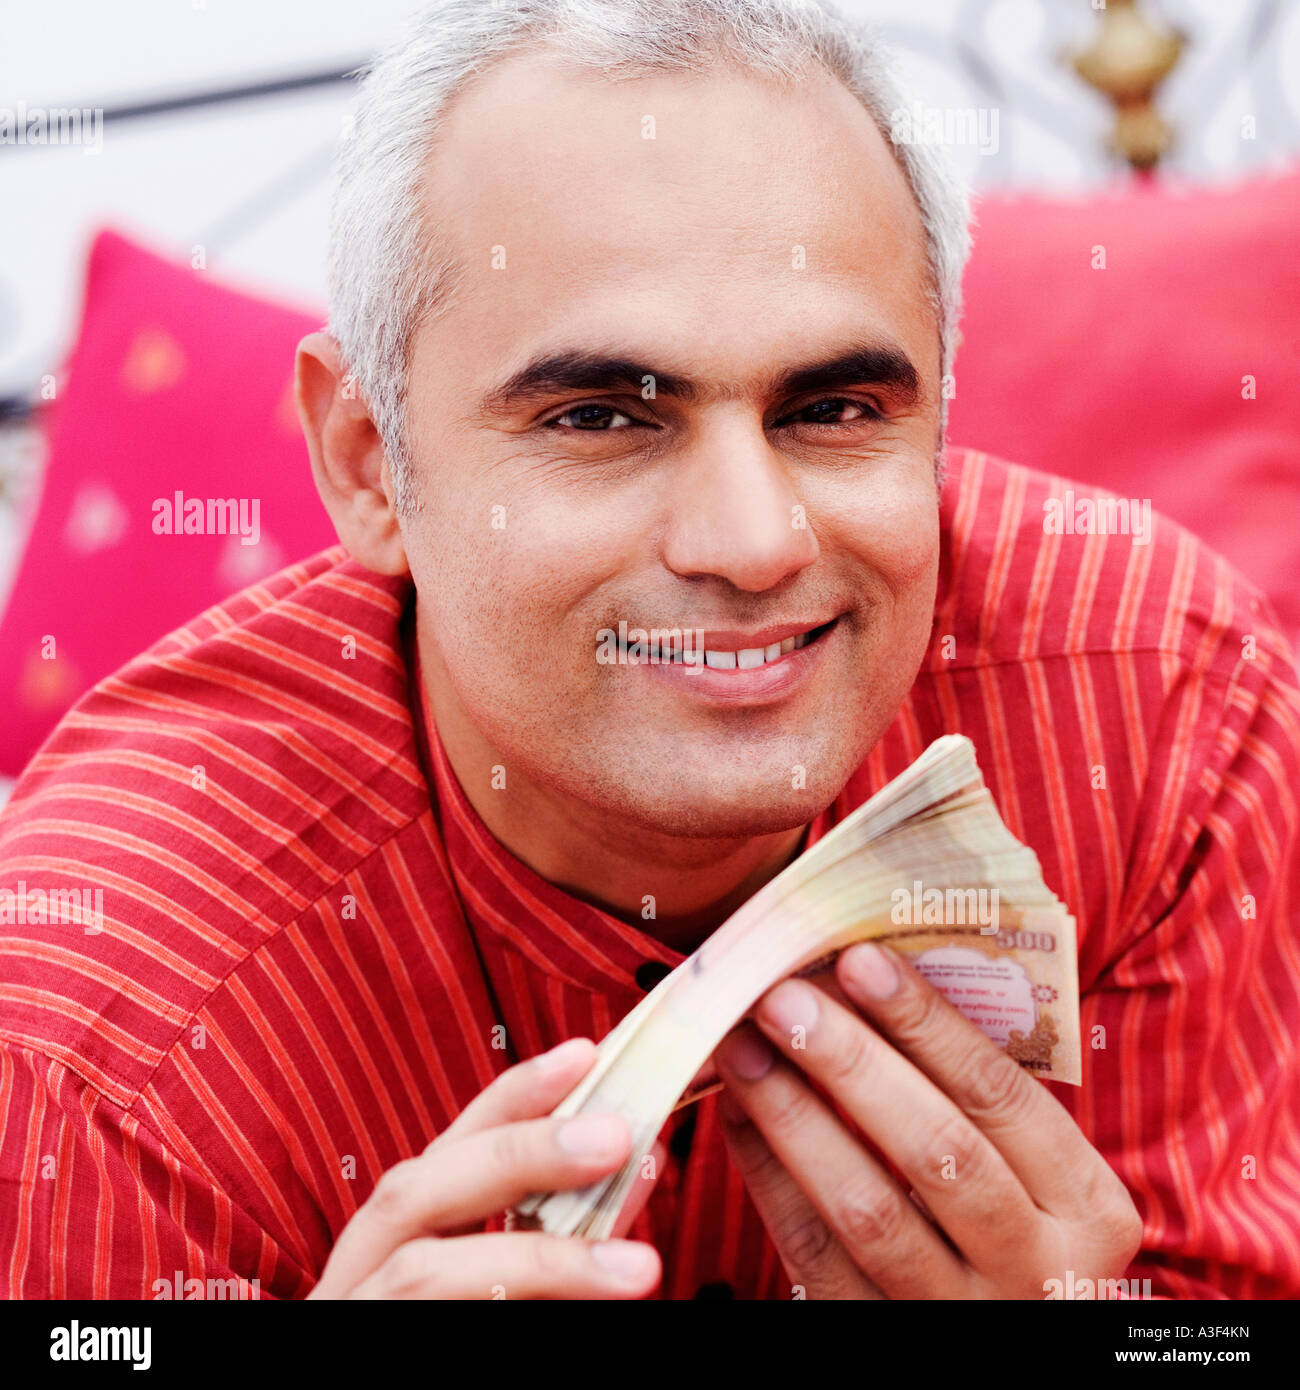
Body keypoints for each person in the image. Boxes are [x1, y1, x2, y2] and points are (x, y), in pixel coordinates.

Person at [2, 0, 1298, 1301]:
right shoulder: (98, 1032)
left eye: (835, 408)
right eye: (601, 416)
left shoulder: (1170, 706)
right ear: (369, 464)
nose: (751, 543)